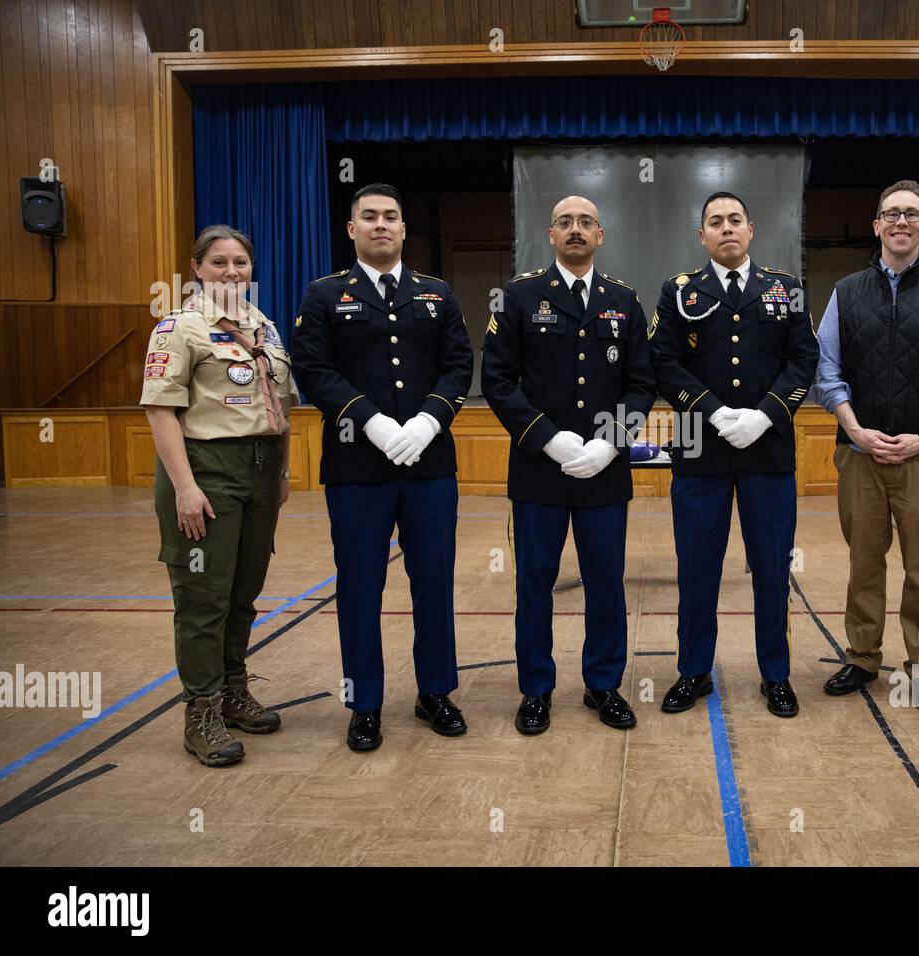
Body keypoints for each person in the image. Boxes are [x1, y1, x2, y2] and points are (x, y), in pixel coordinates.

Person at [290, 183, 474, 752]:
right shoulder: (325, 294)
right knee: (360, 589)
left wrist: (426, 422)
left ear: (402, 229)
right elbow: (313, 368)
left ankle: (435, 692)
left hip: (429, 464)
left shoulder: (436, 294)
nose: (380, 225)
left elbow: (459, 365)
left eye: (390, 217)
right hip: (356, 467)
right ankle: (364, 703)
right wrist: (369, 420)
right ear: (351, 229)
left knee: (435, 583)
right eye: (368, 217)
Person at [482, 195, 656, 735]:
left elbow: (642, 383)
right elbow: (497, 381)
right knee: (535, 581)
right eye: (565, 223)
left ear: (600, 235)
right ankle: (536, 690)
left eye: (585, 223)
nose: (575, 230)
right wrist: (548, 440)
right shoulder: (517, 297)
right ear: (550, 234)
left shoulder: (623, 300)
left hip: (605, 472)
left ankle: (603, 685)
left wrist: (611, 441)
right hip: (538, 472)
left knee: (606, 581)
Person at [810, 179, 919, 712]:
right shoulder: (845, 292)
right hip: (858, 453)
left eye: (912, 213)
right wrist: (855, 430)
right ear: (876, 225)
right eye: (891, 213)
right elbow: (826, 369)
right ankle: (862, 657)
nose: (901, 221)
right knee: (864, 562)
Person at [650, 191, 819, 718]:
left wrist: (765, 414)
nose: (726, 228)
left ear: (752, 230)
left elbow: (803, 359)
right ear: (702, 236)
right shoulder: (679, 292)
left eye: (735, 220)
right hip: (701, 449)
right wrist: (717, 413)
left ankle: (776, 674)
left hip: (768, 451)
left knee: (771, 568)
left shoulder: (784, 289)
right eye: (715, 222)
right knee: (697, 567)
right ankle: (693, 670)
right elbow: (664, 362)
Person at [142, 225, 296, 766]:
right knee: (203, 600)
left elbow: (280, 406)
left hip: (259, 471)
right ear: (198, 269)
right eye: (219, 263)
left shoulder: (265, 328)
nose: (232, 272)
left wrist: (281, 471)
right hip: (205, 470)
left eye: (240, 263)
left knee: (242, 593)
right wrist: (185, 487)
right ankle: (200, 712)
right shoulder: (179, 327)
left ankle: (233, 692)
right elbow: (161, 411)